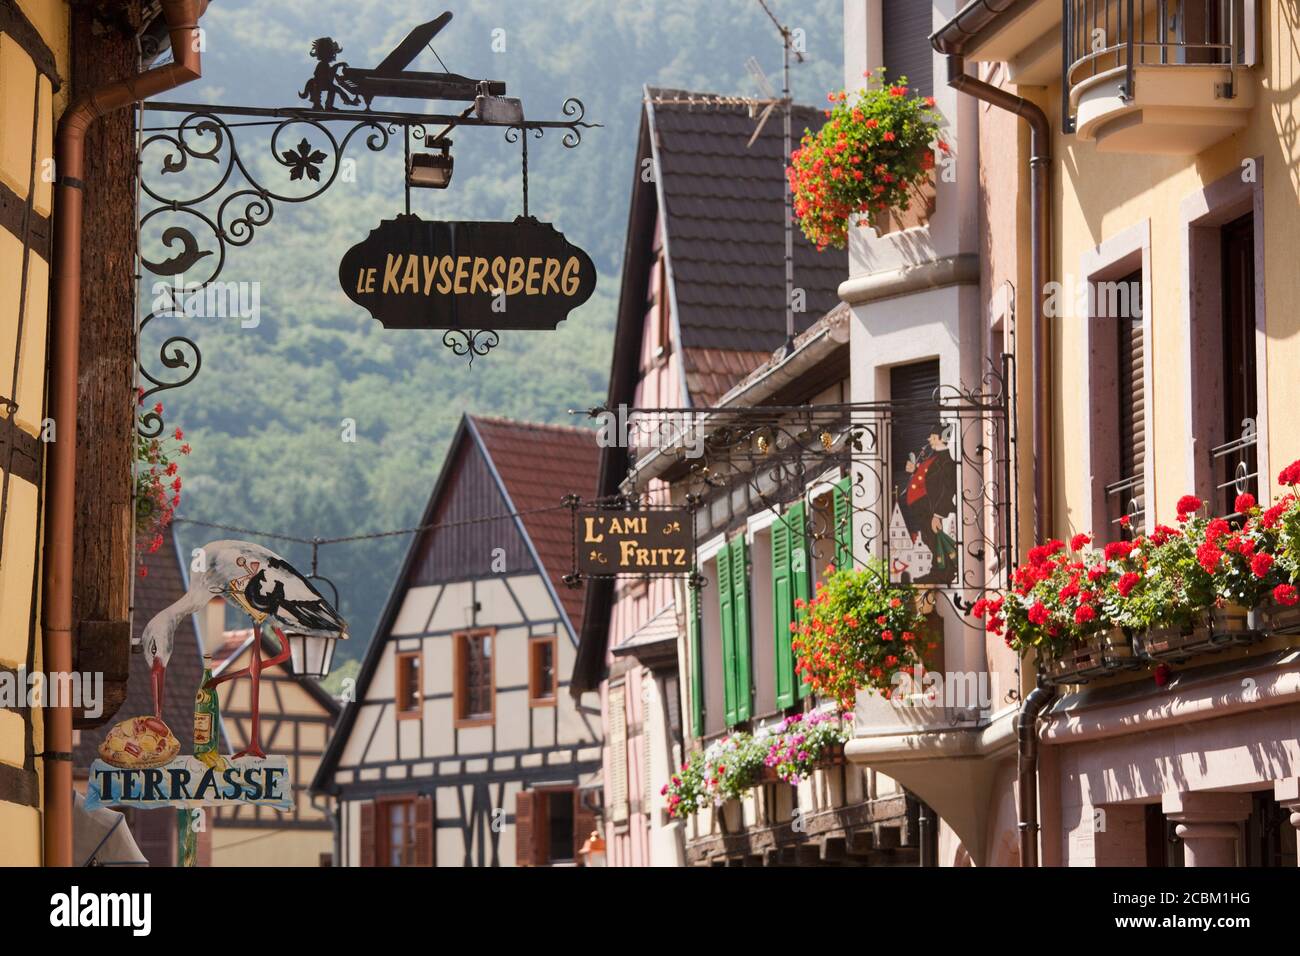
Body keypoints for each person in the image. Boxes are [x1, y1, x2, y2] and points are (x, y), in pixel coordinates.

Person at [902, 423, 958, 584]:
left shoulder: (946, 461)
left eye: (933, 438)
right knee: (929, 539)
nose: (930, 440)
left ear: (942, 439)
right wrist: (915, 469)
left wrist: (938, 515)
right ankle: (939, 570)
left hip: (930, 509)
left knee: (935, 540)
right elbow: (928, 476)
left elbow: (947, 489)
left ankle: (942, 572)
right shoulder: (933, 456)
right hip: (921, 509)